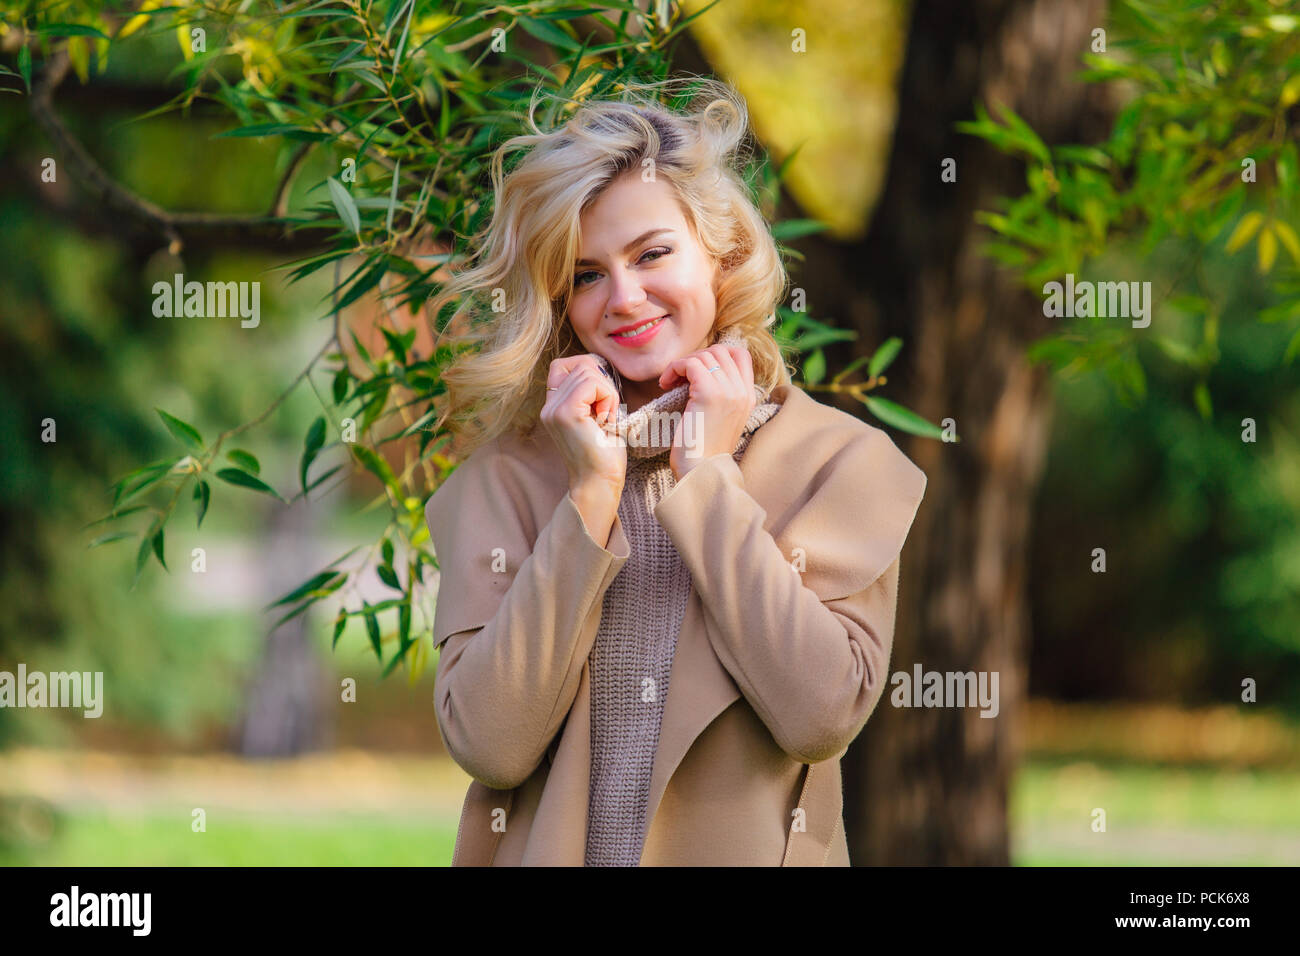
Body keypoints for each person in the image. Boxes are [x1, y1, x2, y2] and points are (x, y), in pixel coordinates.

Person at [424, 77, 927, 866]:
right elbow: (491, 745)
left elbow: (820, 715)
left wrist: (707, 479)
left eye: (653, 253)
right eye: (586, 274)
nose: (624, 298)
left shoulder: (839, 464)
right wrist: (589, 496)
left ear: (724, 256)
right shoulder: (511, 477)